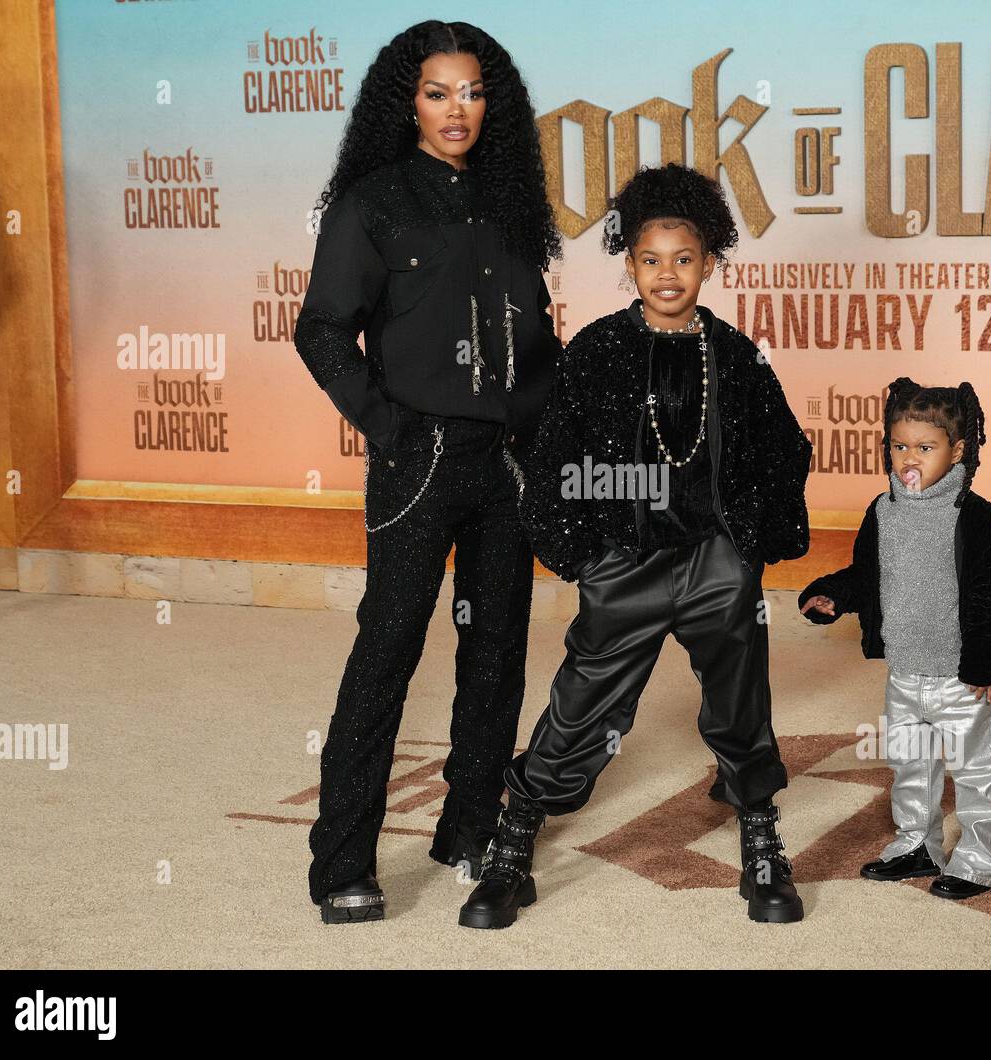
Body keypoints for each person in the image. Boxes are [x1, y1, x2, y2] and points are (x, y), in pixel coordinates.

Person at [456, 163, 815, 929]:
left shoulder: (737, 356)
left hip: (717, 563)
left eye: (683, 259)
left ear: (710, 262)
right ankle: (515, 840)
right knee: (584, 698)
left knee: (740, 694)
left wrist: (748, 542)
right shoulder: (595, 352)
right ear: (629, 265)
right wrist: (586, 556)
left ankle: (758, 831)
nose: (667, 275)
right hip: (625, 562)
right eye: (651, 260)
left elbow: (785, 447)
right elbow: (552, 461)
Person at [292, 20, 562, 923]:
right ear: (406, 101)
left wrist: (544, 424)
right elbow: (322, 328)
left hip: (508, 464)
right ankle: (342, 864)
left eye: (474, 93)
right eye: (438, 93)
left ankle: (471, 826)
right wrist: (390, 426)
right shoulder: (374, 202)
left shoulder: (512, 201)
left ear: (496, 103)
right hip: (421, 461)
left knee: (497, 652)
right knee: (389, 651)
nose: (458, 111)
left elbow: (538, 339)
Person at [798, 378, 991, 899]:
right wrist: (834, 596)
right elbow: (869, 575)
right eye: (900, 445)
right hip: (905, 672)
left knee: (976, 773)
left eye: (925, 448)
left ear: (958, 450)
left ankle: (978, 860)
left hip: (962, 679)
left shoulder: (976, 520)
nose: (910, 458)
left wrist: (986, 659)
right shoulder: (883, 512)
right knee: (911, 765)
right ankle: (916, 845)